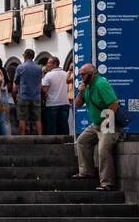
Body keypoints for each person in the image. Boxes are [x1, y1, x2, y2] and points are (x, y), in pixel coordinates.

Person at [73, 62, 120, 191]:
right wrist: (80, 92)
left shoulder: (101, 84)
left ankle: (107, 183)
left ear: (91, 74)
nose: (80, 77)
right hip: (96, 124)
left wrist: (106, 120)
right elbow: (77, 105)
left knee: (103, 149)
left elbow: (114, 103)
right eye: (80, 74)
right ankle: (87, 171)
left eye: (83, 75)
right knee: (82, 141)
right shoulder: (86, 86)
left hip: (107, 122)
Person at [14, 49, 43, 136]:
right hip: (36, 96)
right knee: (37, 119)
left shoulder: (20, 67)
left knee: (22, 119)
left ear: (25, 56)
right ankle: (40, 138)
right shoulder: (39, 68)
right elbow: (40, 81)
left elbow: (16, 81)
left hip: (24, 96)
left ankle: (22, 138)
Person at [42, 56, 71, 137]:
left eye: (49, 62)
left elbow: (44, 90)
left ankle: (54, 144)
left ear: (55, 63)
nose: (47, 64)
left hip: (52, 104)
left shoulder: (48, 75)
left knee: (52, 126)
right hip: (64, 102)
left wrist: (45, 97)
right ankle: (66, 141)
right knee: (64, 124)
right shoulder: (65, 74)